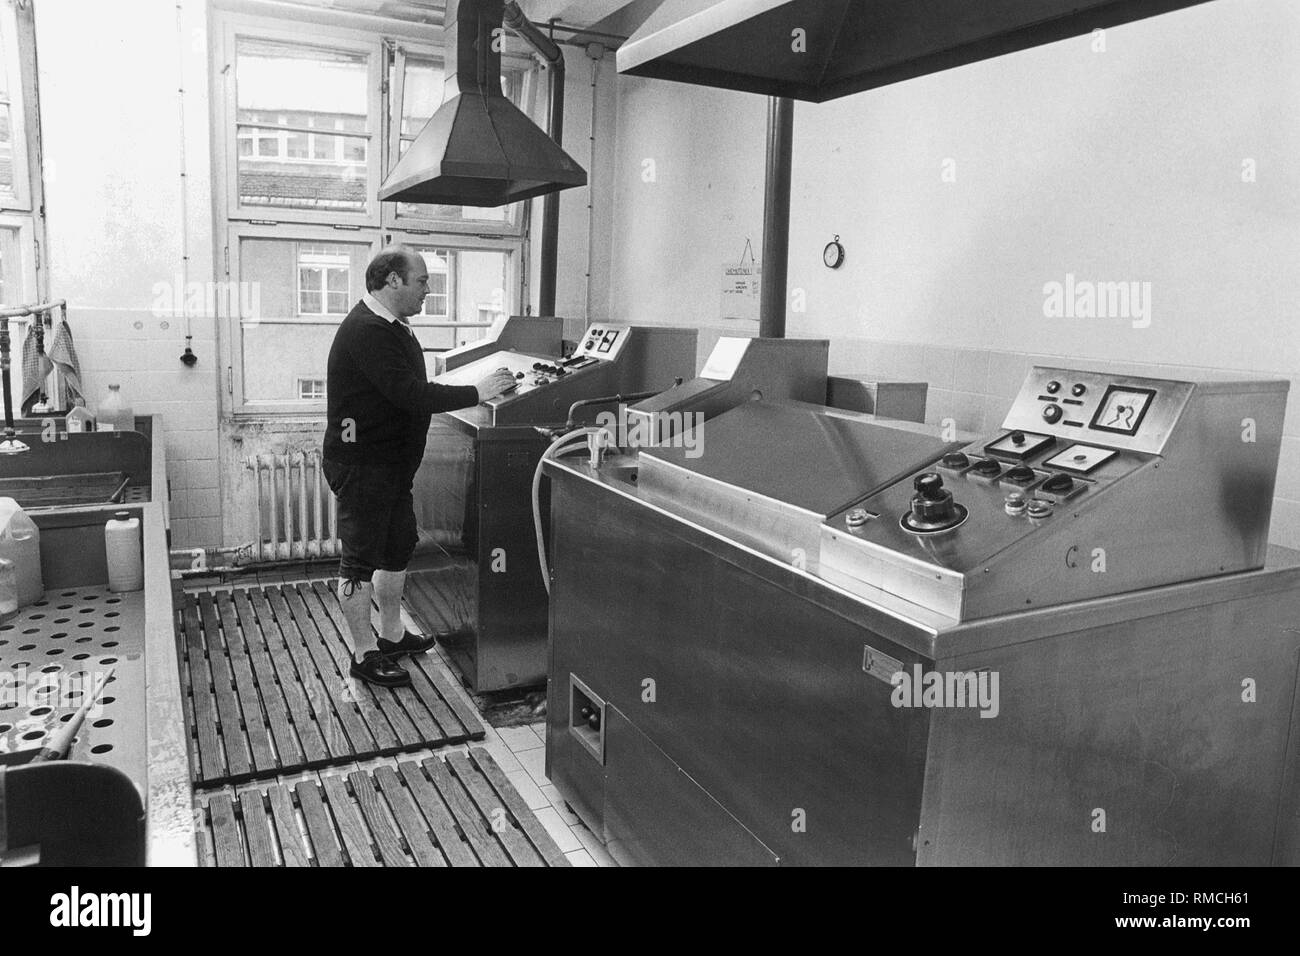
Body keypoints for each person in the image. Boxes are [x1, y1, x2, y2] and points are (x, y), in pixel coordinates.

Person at [322, 246, 515, 687]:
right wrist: (477, 392)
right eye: (422, 280)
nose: (428, 289)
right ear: (393, 280)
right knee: (359, 562)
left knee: (398, 546)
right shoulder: (367, 330)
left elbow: (415, 389)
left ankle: (391, 636)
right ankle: (362, 653)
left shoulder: (395, 327)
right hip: (362, 467)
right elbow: (409, 394)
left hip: (390, 468)